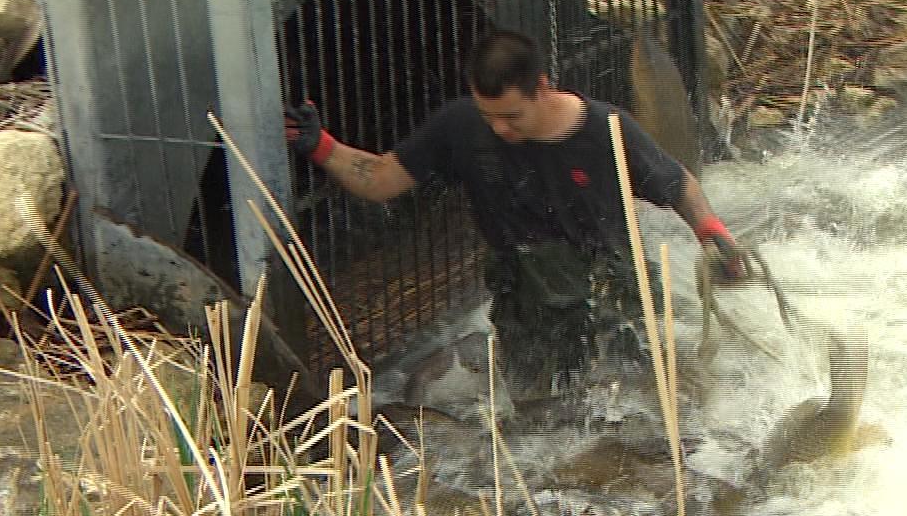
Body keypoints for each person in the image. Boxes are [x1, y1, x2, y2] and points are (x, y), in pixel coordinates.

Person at [284, 28, 747, 402]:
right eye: (490, 117)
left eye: (512, 115)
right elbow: (381, 178)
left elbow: (677, 183)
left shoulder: (606, 129)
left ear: (542, 88)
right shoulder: (461, 126)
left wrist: (711, 232)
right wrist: (321, 146)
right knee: (532, 404)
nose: (500, 128)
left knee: (628, 400)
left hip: (610, 294)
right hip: (523, 298)